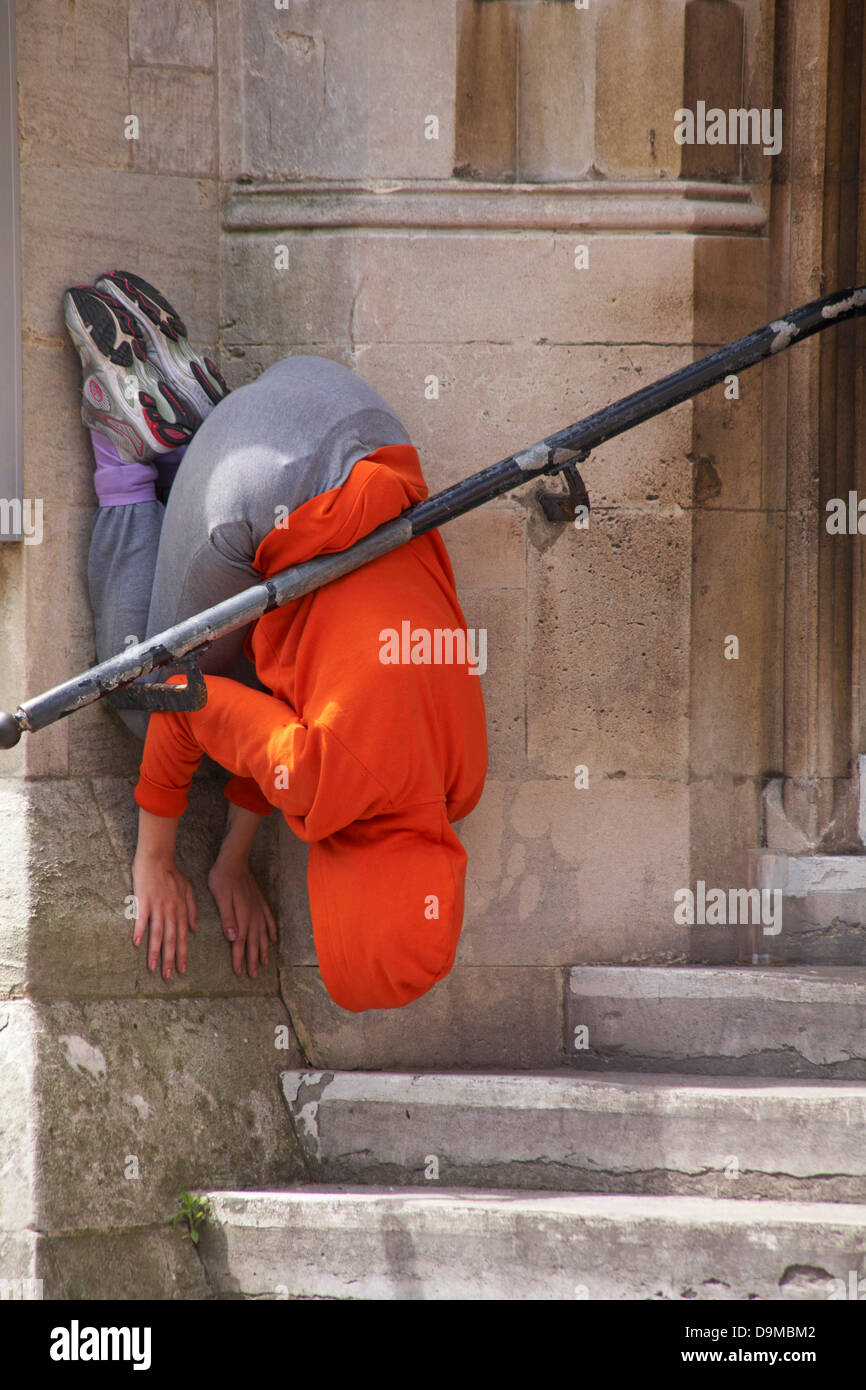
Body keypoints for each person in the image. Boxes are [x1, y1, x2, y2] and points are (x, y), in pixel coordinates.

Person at [63, 272, 488, 1012]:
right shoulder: (325, 782)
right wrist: (155, 859)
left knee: (252, 664)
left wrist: (234, 859)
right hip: (268, 486)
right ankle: (131, 449)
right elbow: (187, 699)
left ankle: (200, 432)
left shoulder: (459, 783)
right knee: (140, 689)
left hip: (349, 419)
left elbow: (301, 738)